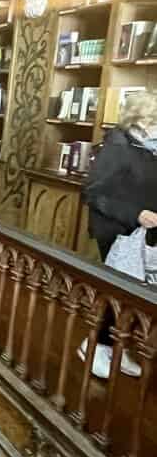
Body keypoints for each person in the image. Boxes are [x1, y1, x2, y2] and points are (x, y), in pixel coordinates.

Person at [80, 91, 157, 379]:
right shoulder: (118, 146)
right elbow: (92, 193)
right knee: (120, 293)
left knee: (135, 295)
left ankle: (116, 348)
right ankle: (96, 346)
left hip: (142, 232)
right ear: (143, 120)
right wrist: (135, 214)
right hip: (117, 230)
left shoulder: (148, 147)